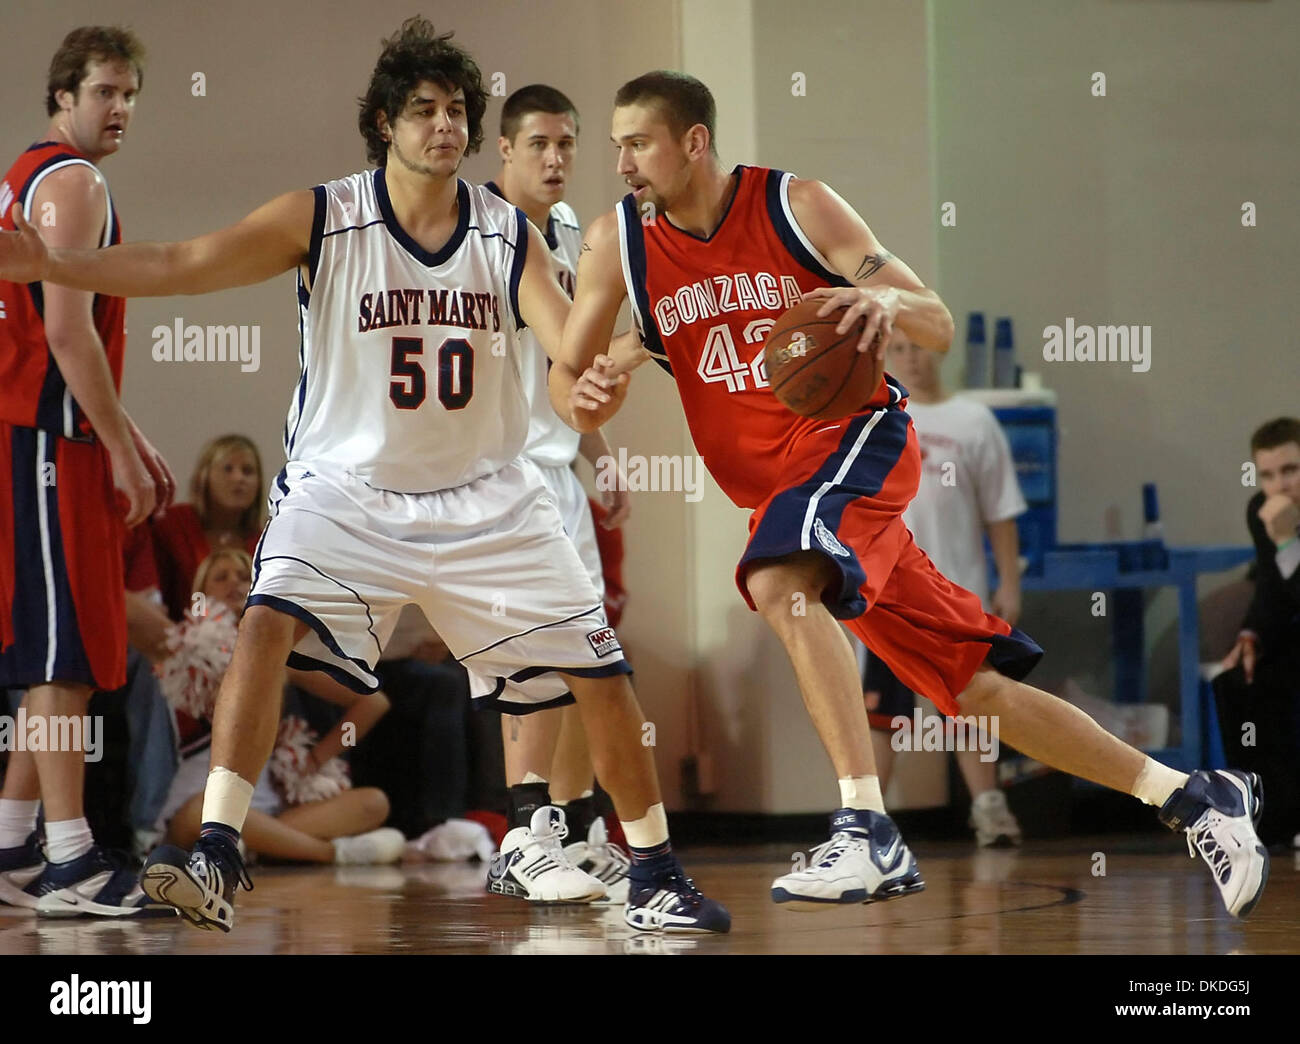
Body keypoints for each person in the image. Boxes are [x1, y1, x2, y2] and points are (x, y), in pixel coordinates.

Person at [0, 20, 728, 934]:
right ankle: (219, 850)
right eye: (423, 110)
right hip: (347, 490)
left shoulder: (506, 233)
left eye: (458, 110)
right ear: (385, 122)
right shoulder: (325, 214)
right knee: (266, 626)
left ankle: (655, 867)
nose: (445, 127)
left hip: (487, 495)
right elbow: (184, 263)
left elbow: (561, 360)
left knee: (602, 671)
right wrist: (56, 264)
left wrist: (587, 393)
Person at [550, 70, 1269, 918]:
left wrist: (881, 298)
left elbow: (936, 319)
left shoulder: (796, 206)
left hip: (855, 440)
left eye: (638, 143)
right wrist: (587, 398)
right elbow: (570, 374)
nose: (622, 162)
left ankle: (866, 825)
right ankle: (1196, 797)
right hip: (783, 489)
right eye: (617, 146)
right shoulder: (618, 245)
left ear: (692, 142)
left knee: (779, 582)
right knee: (976, 692)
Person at [0, 26, 176, 917]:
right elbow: (66, 333)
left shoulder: (27, 174)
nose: (121, 109)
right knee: (62, 653)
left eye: (131, 93)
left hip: (38, 429)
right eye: (105, 91)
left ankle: (9, 842)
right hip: (43, 440)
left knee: (53, 651)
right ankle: (69, 856)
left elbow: (60, 336)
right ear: (62, 95)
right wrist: (112, 445)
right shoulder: (73, 182)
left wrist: (128, 433)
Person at [481, 84, 633, 904]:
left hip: (558, 467)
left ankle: (572, 828)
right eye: (538, 142)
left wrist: (599, 456)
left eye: (568, 143)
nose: (555, 158)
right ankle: (522, 832)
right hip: (499, 473)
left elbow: (567, 370)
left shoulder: (574, 231)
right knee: (533, 655)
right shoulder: (479, 229)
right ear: (504, 149)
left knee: (584, 655)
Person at [863, 332, 1025, 846]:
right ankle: (870, 821)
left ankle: (990, 808)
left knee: (973, 702)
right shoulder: (873, 417)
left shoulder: (975, 421)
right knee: (883, 713)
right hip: (886, 591)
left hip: (959, 591)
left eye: (920, 345)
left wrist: (1010, 583)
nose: (912, 356)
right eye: (901, 348)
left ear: (939, 349)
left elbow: (1000, 512)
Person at [156, 549, 405, 866]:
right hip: (195, 805)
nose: (235, 582)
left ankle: (249, 848)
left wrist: (320, 756)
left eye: (245, 577)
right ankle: (333, 854)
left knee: (374, 803)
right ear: (199, 597)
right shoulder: (178, 649)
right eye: (221, 577)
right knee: (203, 809)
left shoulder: (279, 658)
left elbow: (371, 704)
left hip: (266, 809)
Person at [1216, 417, 1300, 847]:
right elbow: (1270, 585)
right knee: (1240, 680)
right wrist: (1251, 633)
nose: (1279, 485)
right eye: (1267, 474)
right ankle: (1268, 816)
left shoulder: (1279, 522)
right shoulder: (1259, 511)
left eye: (1291, 470)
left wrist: (1288, 541)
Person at [152, 434, 264, 620]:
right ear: (204, 477)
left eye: (248, 471)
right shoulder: (171, 526)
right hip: (176, 637)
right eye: (228, 469)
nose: (239, 478)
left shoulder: (266, 542)